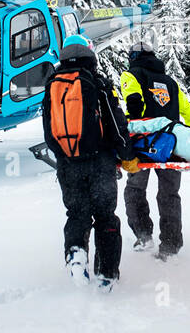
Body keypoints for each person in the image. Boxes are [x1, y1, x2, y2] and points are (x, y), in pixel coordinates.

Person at [42, 34, 135, 290]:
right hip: (100, 163)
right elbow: (117, 124)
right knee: (105, 217)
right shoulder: (98, 82)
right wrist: (126, 155)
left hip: (67, 164)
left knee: (77, 214)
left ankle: (75, 254)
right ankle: (106, 274)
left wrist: (64, 156)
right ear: (89, 55)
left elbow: (48, 130)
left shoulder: (52, 85)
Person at [119, 41, 190, 259]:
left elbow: (134, 105)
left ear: (133, 57)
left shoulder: (131, 75)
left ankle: (143, 235)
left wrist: (127, 133)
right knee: (169, 194)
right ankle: (170, 246)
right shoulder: (171, 83)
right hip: (171, 146)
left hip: (143, 147)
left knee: (135, 190)